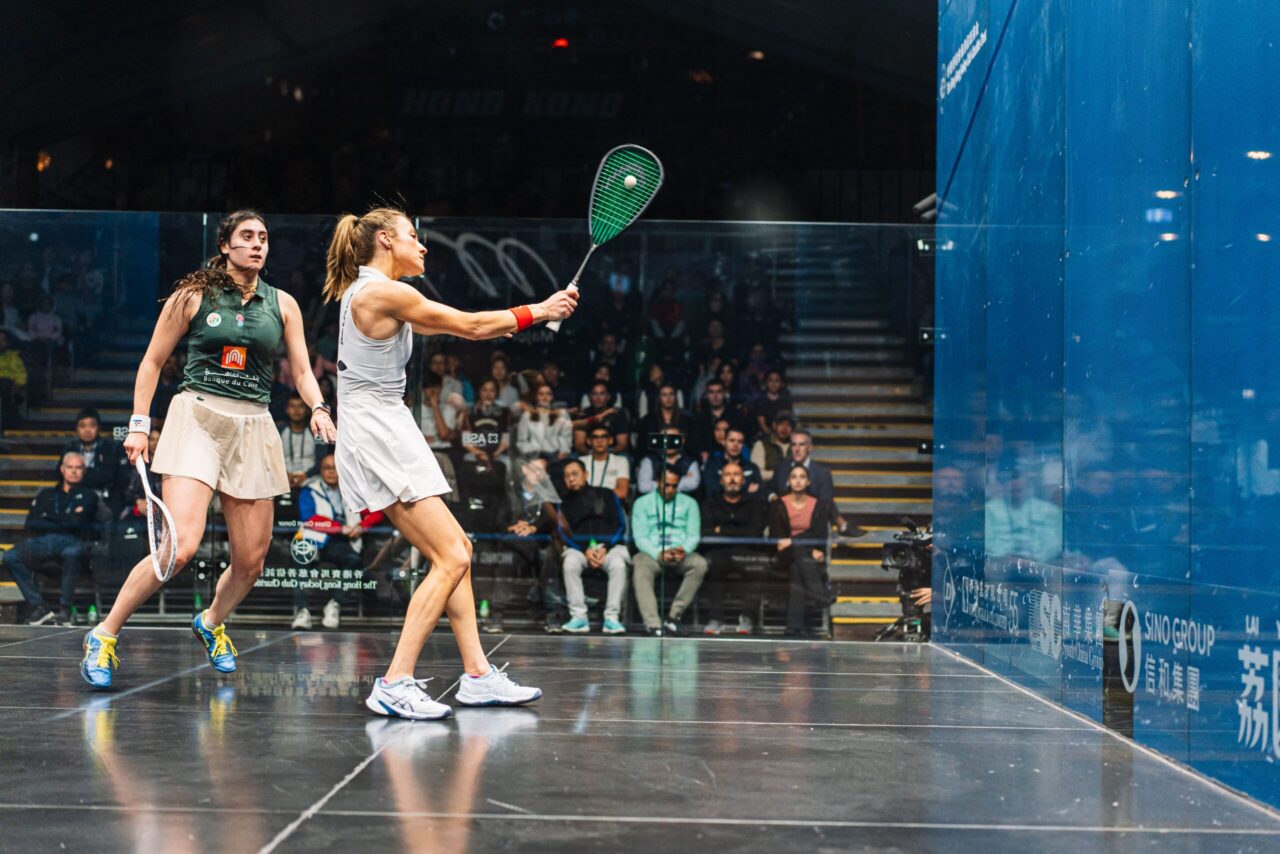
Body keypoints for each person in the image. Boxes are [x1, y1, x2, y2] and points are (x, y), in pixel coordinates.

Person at [322, 207, 576, 720]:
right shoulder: (380, 292)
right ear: (387, 240)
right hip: (378, 430)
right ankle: (395, 681)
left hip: (383, 425)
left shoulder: (377, 293)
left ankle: (478, 675)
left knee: (456, 547)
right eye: (415, 237)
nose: (424, 247)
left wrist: (524, 319)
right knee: (452, 558)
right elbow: (471, 325)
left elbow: (473, 329)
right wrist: (541, 310)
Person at [79, 210, 337, 690]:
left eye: (263, 237)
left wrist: (319, 406)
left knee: (251, 563)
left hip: (255, 426)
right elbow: (153, 361)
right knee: (179, 547)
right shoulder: (193, 296)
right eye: (247, 237)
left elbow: (302, 371)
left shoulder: (283, 305)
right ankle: (104, 634)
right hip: (195, 418)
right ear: (225, 245)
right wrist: (139, 425)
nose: (257, 245)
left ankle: (212, 621)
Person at [6, 451, 100, 626]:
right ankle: (39, 607)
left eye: (78, 468)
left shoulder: (89, 496)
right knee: (10, 557)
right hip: (45, 541)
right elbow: (32, 523)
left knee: (72, 553)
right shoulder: (46, 494)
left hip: (73, 541)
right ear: (62, 469)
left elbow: (78, 524)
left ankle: (65, 610)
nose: (74, 471)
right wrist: (68, 517)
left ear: (83, 471)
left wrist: (48, 518)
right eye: (70, 467)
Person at [292, 454, 375, 630]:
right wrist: (338, 527)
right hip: (313, 540)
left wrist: (362, 525)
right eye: (327, 468)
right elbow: (309, 519)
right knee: (300, 560)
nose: (331, 472)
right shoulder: (309, 490)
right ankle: (302, 611)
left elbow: (375, 511)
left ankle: (335, 605)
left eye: (335, 467)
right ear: (320, 471)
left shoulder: (352, 490)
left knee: (354, 561)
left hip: (343, 541)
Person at [631, 467, 708, 635]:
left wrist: (684, 549)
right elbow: (640, 537)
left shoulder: (690, 503)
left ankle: (673, 618)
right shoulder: (642, 503)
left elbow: (693, 535)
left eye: (674, 485)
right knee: (640, 566)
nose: (670, 489)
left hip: (680, 553)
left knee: (700, 564)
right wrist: (658, 553)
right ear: (658, 482)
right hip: (652, 553)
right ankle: (653, 624)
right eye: (666, 485)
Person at [556, 460, 630, 634]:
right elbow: (563, 532)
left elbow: (620, 524)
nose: (571, 479)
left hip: (609, 548)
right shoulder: (563, 502)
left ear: (586, 474)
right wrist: (585, 550)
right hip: (580, 549)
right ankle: (579, 617)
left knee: (618, 565)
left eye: (575, 474)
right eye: (567, 476)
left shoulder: (606, 494)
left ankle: (612, 618)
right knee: (570, 564)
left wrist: (606, 547)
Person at [700, 461, 769, 635]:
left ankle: (747, 616)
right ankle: (716, 618)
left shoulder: (755, 503)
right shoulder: (710, 502)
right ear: (721, 480)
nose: (732, 479)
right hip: (719, 552)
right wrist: (738, 531)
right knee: (712, 563)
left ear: (743, 481)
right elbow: (706, 533)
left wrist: (721, 529)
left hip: (746, 552)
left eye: (736, 475)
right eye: (728, 475)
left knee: (760, 565)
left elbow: (754, 534)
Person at [770, 466, 832, 637]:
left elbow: (819, 534)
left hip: (806, 561)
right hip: (783, 558)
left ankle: (793, 627)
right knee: (798, 556)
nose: (798, 480)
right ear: (788, 481)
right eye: (794, 477)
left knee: (797, 569)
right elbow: (777, 538)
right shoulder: (778, 504)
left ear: (808, 481)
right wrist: (806, 545)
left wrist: (793, 540)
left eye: (802, 476)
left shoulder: (818, 505)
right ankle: (820, 593)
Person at [63, 407, 124, 510]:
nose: (87, 430)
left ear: (98, 428)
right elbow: (61, 473)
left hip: (103, 499)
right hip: (73, 496)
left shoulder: (110, 448)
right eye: (82, 426)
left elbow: (107, 476)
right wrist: (93, 474)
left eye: (92, 425)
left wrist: (79, 476)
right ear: (77, 429)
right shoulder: (70, 448)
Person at [516, 383, 572, 462]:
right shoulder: (527, 415)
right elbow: (522, 441)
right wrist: (532, 453)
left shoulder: (562, 414)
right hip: (534, 456)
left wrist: (564, 451)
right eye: (541, 394)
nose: (545, 397)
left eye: (548, 394)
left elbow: (566, 437)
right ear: (536, 397)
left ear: (552, 397)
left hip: (555, 456)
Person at [572, 381, 632, 455]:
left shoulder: (618, 414)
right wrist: (592, 454)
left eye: (602, 394)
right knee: (573, 457)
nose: (598, 398)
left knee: (624, 456)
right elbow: (579, 444)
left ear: (608, 397)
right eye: (594, 394)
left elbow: (622, 444)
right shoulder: (583, 414)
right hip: (589, 451)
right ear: (589, 397)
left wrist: (606, 454)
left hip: (612, 451)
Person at [636, 427, 701, 495]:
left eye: (672, 438)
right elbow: (643, 487)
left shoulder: (691, 462)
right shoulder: (649, 460)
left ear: (682, 441)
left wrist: (658, 482)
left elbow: (693, 484)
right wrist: (681, 481)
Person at [703, 428, 764, 497]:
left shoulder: (752, 467)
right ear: (724, 442)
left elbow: (759, 493)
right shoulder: (712, 465)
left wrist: (728, 489)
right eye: (732, 440)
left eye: (740, 442)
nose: (736, 444)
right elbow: (712, 492)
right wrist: (746, 490)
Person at [280, 393, 322, 490]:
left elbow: (322, 459)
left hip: (311, 481)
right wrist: (285, 474)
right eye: (292, 406)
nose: (296, 410)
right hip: (283, 479)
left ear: (307, 410)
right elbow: (271, 458)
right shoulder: (279, 430)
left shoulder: (316, 431)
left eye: (300, 406)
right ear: (287, 410)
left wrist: (305, 476)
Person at [579, 426, 631, 501]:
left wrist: (591, 494)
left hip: (611, 505)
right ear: (589, 441)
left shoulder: (621, 461)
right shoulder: (581, 461)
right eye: (595, 437)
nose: (599, 441)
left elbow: (622, 493)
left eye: (604, 437)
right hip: (586, 505)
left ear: (610, 440)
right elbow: (576, 490)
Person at [751, 413, 794, 482]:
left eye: (788, 425)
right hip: (768, 488)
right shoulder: (761, 444)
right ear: (774, 425)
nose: (785, 428)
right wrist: (780, 474)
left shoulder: (795, 446)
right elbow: (757, 473)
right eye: (781, 424)